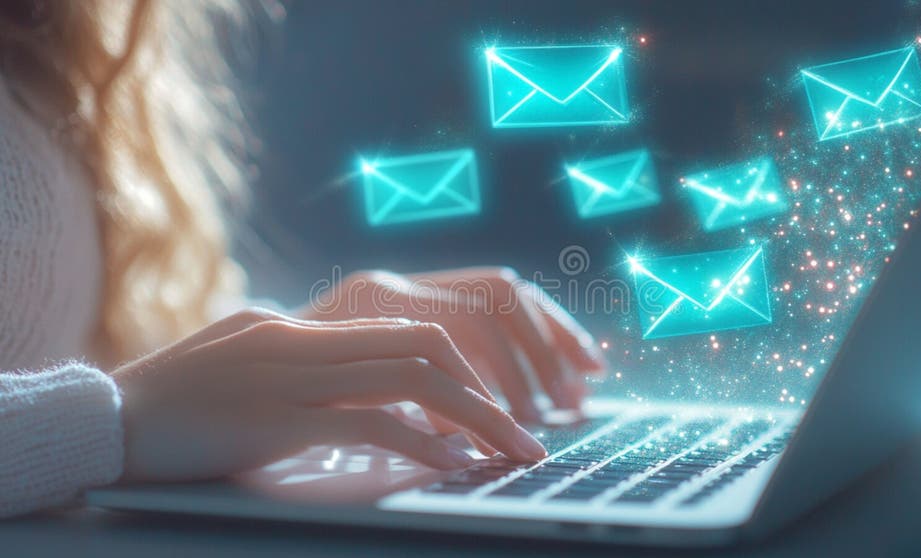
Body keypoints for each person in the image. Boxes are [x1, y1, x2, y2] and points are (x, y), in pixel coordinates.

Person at [0, 0, 605, 518]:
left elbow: (98, 346)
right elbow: (119, 409)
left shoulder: (75, 29)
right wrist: (108, 424)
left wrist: (306, 344)